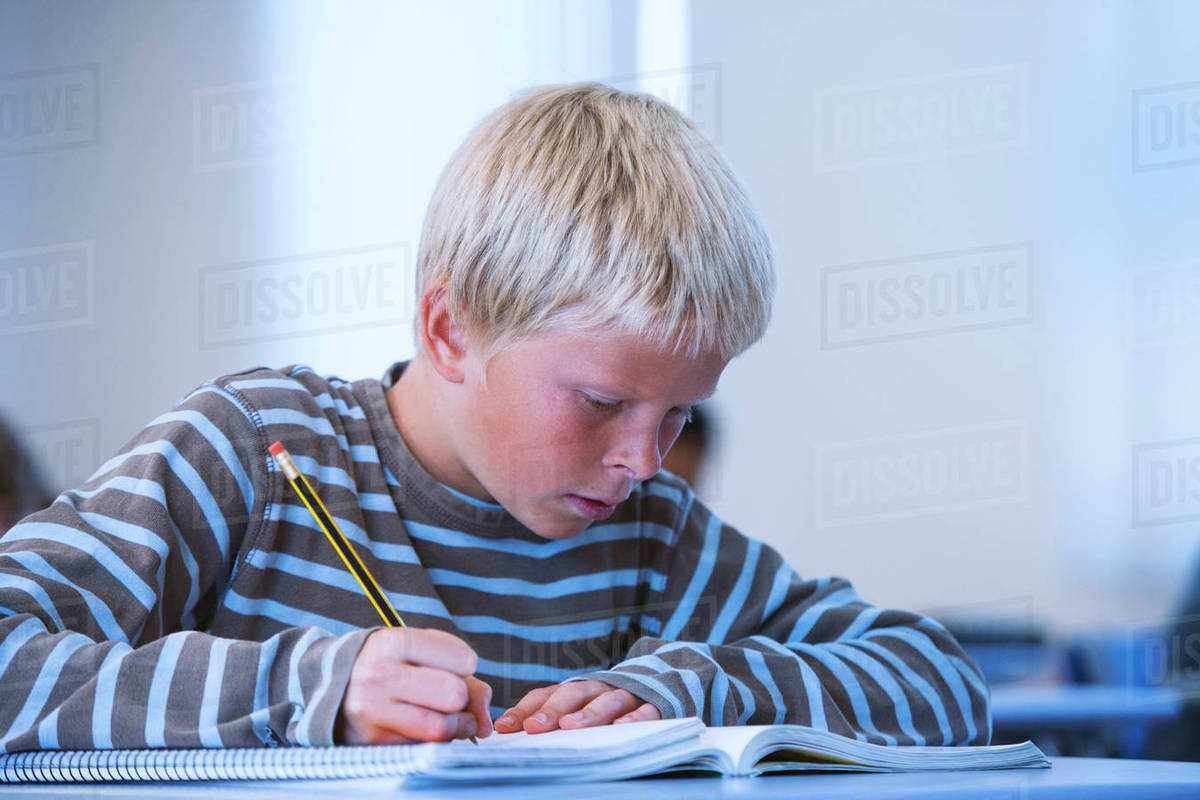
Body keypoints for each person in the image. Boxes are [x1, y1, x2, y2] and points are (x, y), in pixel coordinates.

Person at [0, 83, 989, 752]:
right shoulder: (257, 453)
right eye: (602, 401)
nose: (647, 460)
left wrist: (697, 685)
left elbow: (940, 681)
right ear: (450, 330)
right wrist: (308, 690)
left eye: (681, 413)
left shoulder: (655, 543)